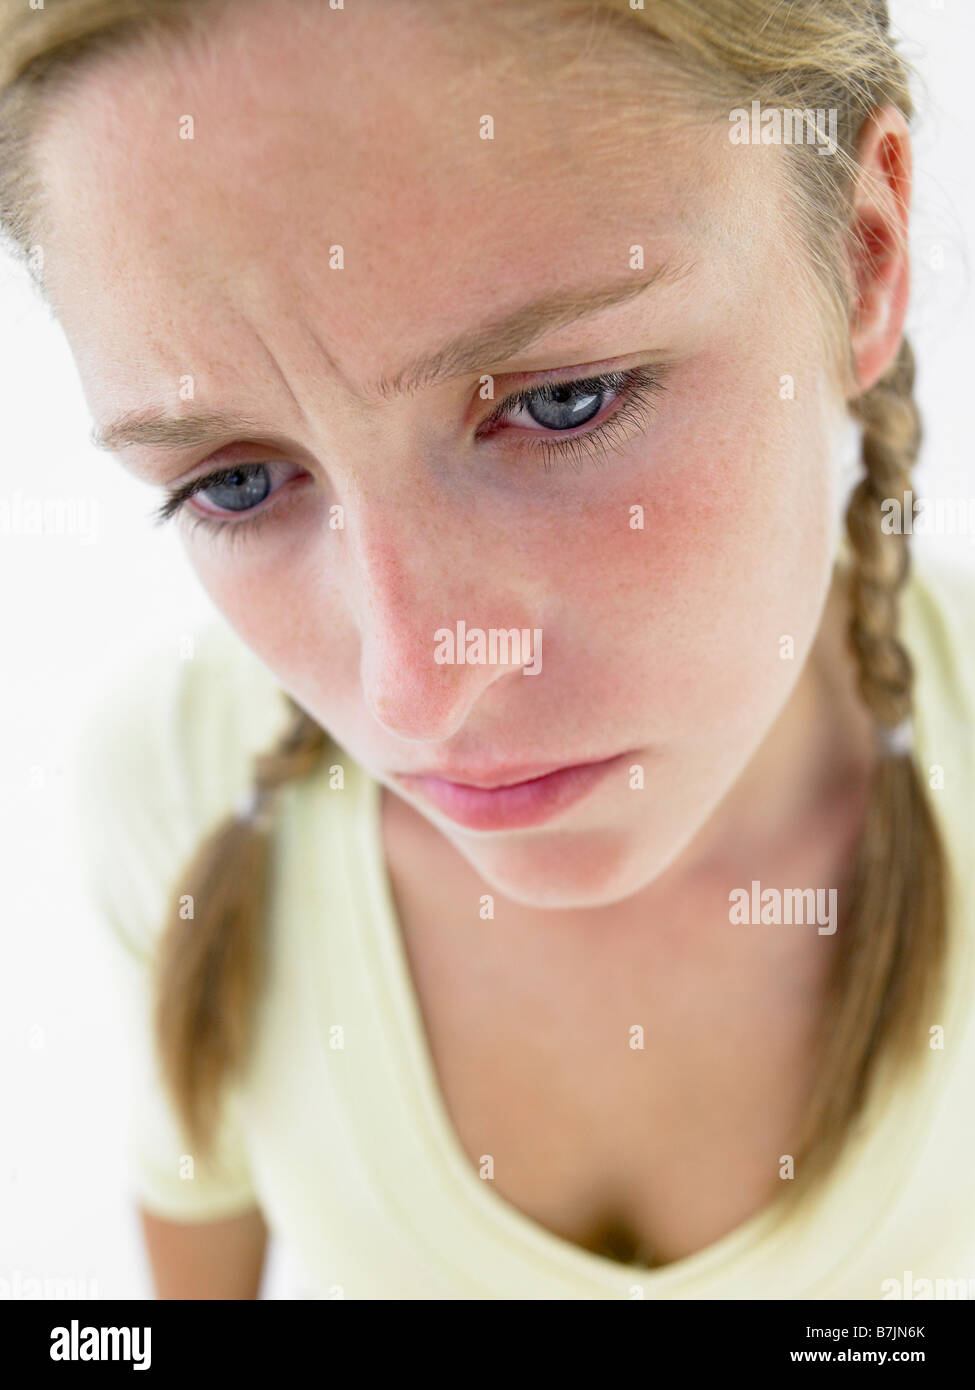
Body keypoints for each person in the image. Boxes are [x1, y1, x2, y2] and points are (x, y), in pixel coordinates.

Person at [4, 0, 973, 1298]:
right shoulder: (173, 789)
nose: (415, 693)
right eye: (237, 483)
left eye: (563, 403)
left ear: (864, 255)